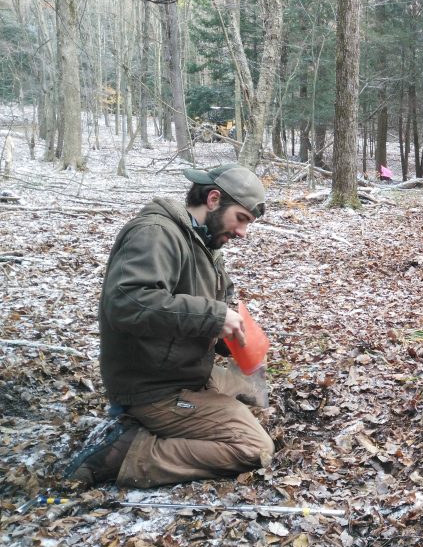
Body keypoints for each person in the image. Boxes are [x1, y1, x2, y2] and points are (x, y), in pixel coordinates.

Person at [64, 163, 275, 488]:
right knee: (254, 448)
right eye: (242, 219)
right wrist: (214, 317)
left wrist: (234, 334)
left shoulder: (203, 241)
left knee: (256, 393)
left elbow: (210, 307)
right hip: (155, 386)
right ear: (215, 199)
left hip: (184, 371)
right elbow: (129, 302)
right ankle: (125, 452)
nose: (243, 233)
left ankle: (157, 424)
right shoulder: (156, 233)